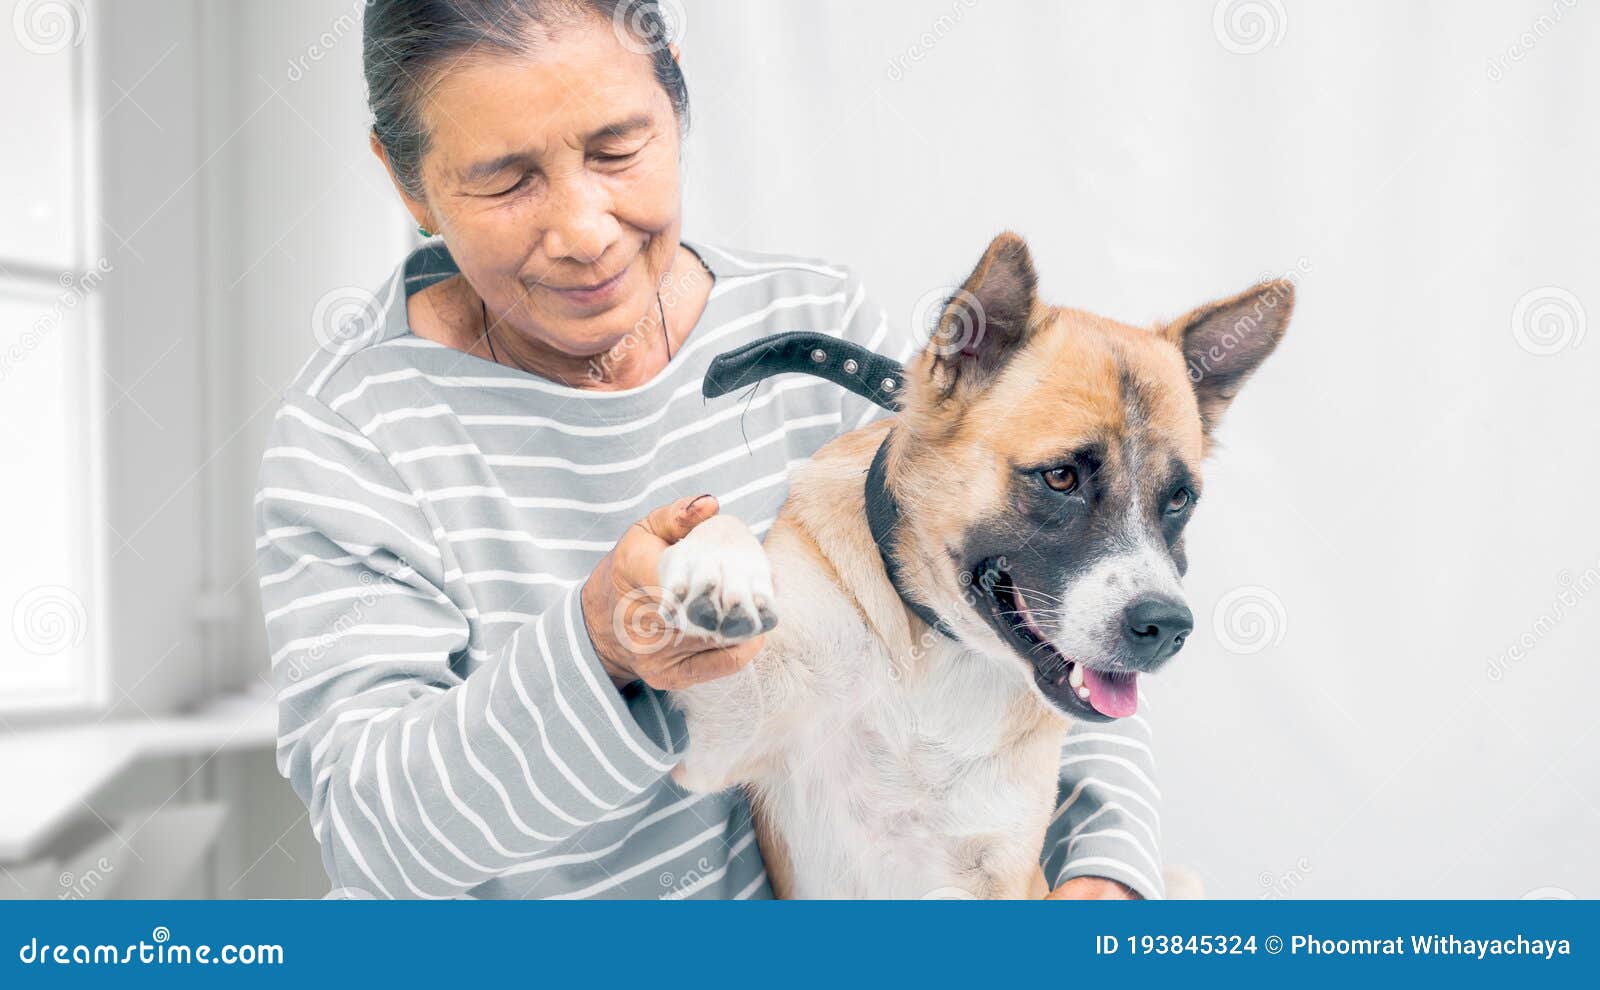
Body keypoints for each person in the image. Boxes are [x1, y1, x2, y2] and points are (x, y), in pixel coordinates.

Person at [256, 0, 1162, 899]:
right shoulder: (355, 437)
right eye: (504, 179)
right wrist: (602, 648)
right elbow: (372, 841)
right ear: (409, 183)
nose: (583, 231)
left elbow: (1035, 617)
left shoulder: (814, 334)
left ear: (675, 97)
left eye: (617, 149)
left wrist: (1106, 869)